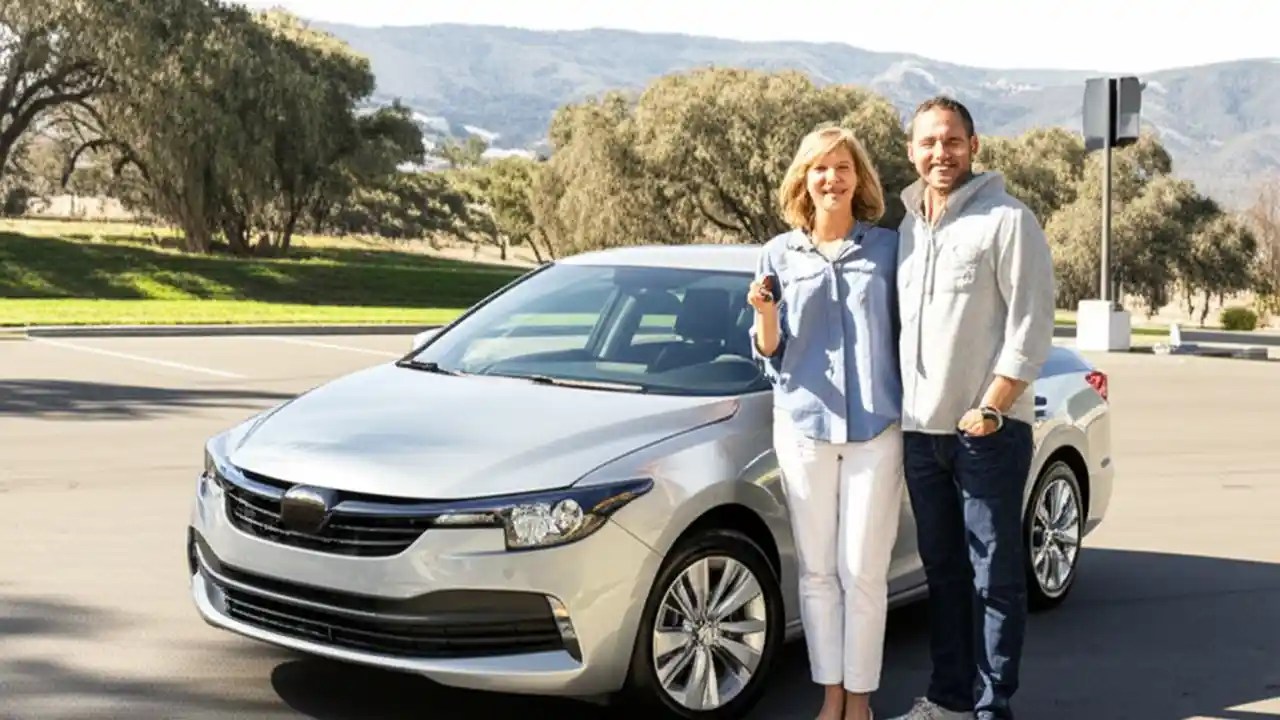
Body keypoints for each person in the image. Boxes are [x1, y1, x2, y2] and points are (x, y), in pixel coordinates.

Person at [886, 97, 1055, 720]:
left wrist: (990, 408)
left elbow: (1032, 326)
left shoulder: (1008, 220)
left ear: (974, 146)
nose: (940, 153)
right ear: (911, 150)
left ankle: (991, 709)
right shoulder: (906, 228)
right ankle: (949, 700)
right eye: (928, 142)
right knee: (946, 577)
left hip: (986, 433)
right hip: (919, 434)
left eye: (952, 141)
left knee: (995, 579)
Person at [748, 125, 904, 720]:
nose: (832, 178)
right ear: (803, 181)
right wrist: (765, 314)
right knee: (817, 573)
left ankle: (860, 701)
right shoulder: (777, 253)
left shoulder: (889, 248)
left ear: (859, 177)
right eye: (820, 168)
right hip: (803, 427)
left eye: (843, 167)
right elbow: (770, 350)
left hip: (875, 430)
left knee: (863, 572)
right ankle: (830, 696)